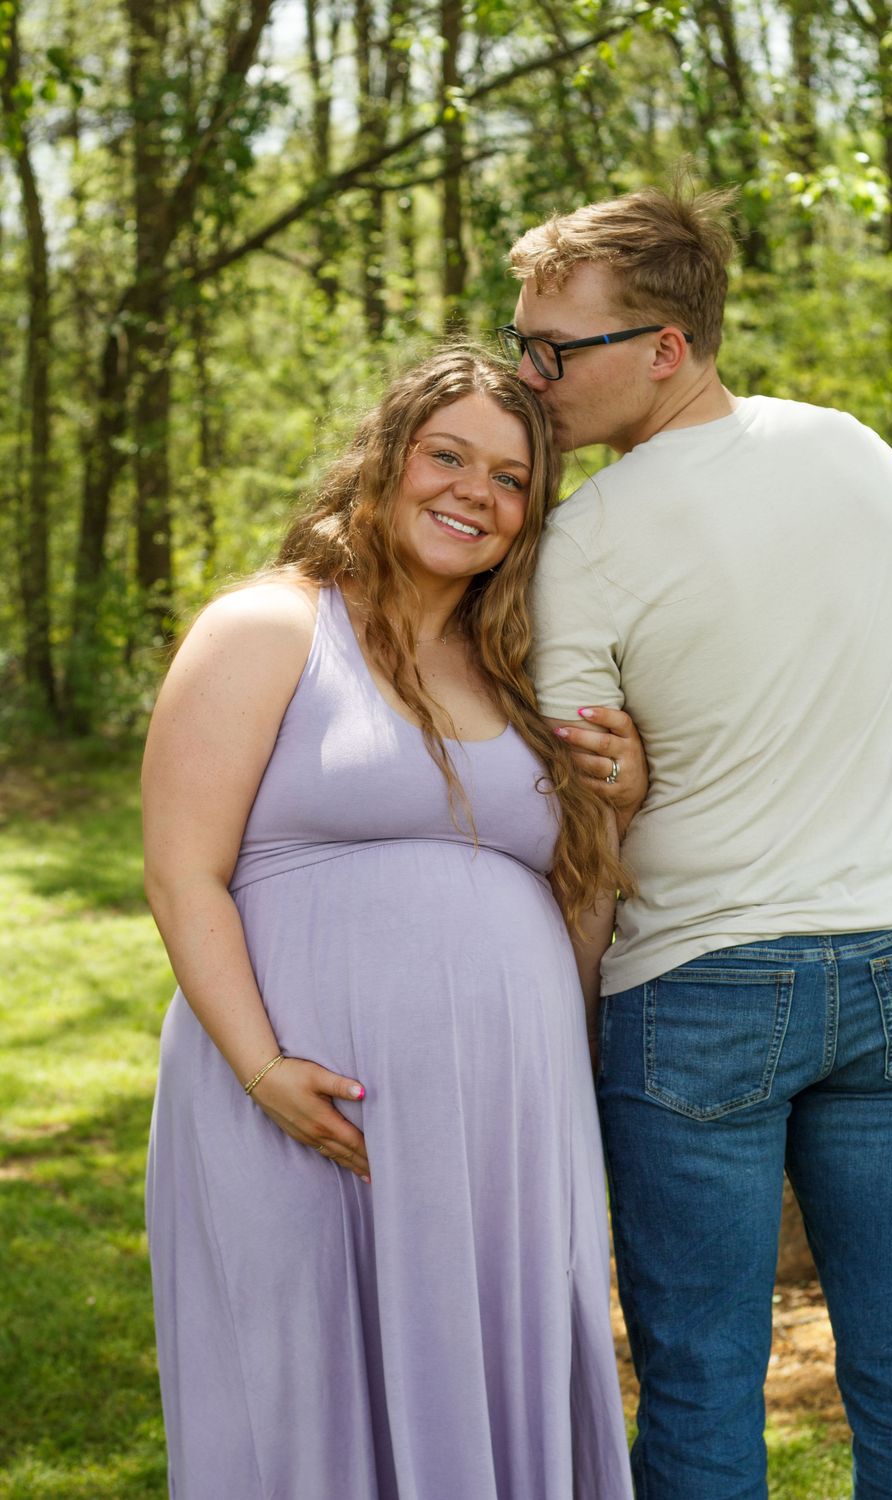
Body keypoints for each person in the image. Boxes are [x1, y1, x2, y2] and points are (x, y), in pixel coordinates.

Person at [498, 184, 892, 1499]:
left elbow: (587, 826)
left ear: (667, 346)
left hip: (694, 989)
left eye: (558, 350)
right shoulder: (860, 454)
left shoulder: (580, 546)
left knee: (704, 1375)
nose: (529, 377)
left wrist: (565, 1009)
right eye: (520, 343)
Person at [142, 349, 640, 1500]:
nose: (475, 491)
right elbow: (182, 876)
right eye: (448, 455)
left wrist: (616, 806)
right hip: (302, 1107)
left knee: (501, 1394)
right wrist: (264, 1068)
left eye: (511, 479)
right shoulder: (270, 626)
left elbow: (572, 905)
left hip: (508, 1127)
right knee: (304, 1399)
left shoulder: (517, 675)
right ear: (387, 459)